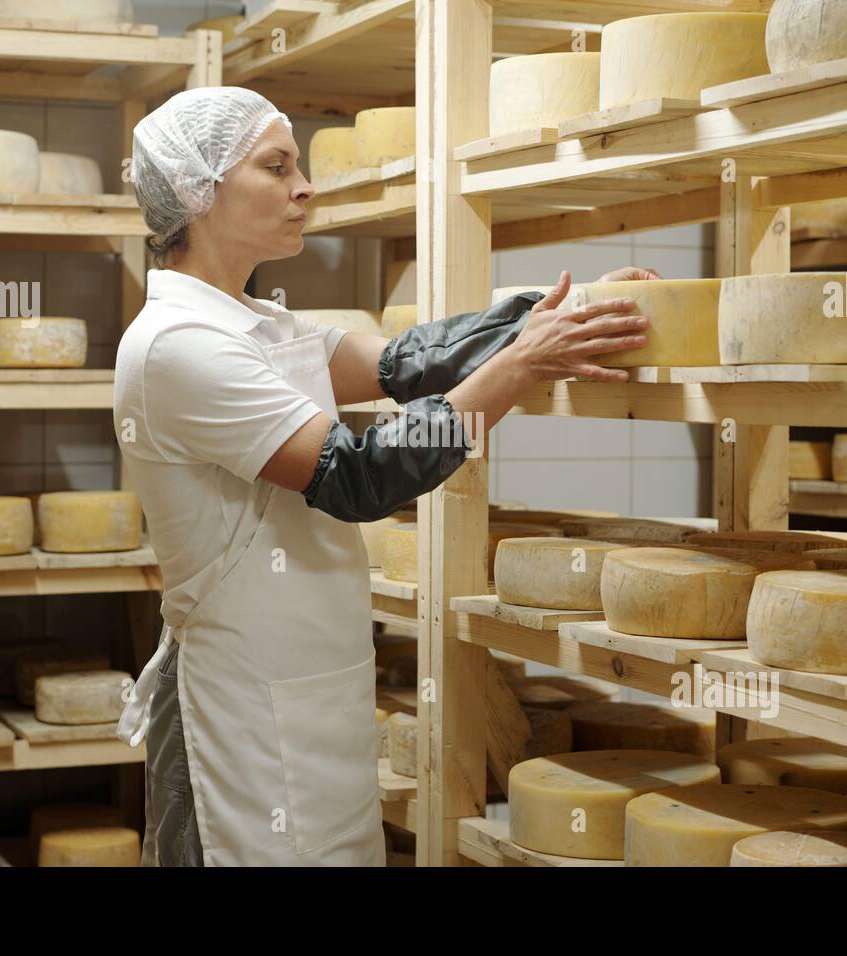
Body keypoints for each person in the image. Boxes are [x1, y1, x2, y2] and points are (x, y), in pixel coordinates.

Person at [113, 87, 654, 866]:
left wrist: (558, 310)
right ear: (202, 192)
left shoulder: (257, 323)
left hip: (309, 684)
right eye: (277, 167)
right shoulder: (177, 345)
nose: (305, 188)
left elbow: (407, 362)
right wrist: (519, 367)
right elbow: (358, 475)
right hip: (240, 700)